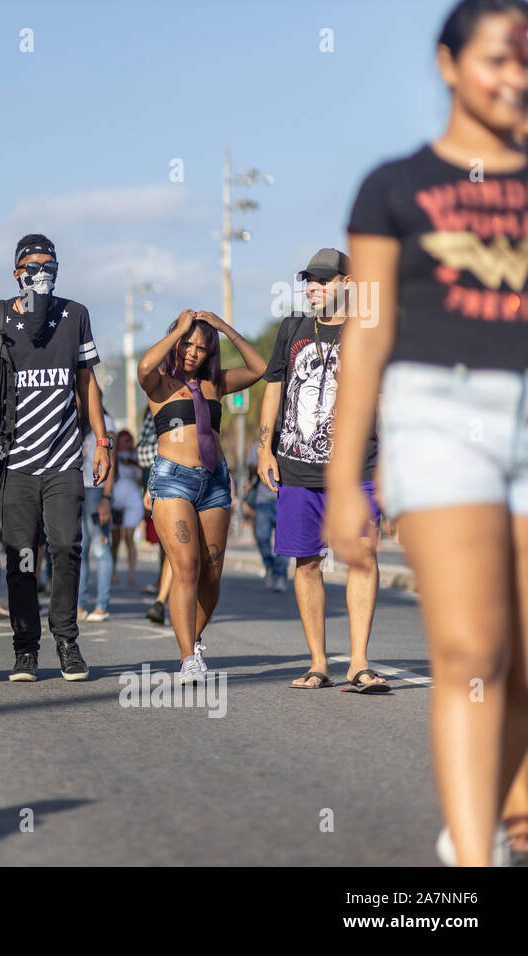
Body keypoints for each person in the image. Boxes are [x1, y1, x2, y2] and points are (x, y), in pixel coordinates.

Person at [327, 0, 528, 865]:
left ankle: (509, 815)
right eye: (497, 59)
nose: (515, 76)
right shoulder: (393, 187)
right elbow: (365, 334)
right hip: (438, 415)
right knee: (473, 647)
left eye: (526, 60)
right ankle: (475, 864)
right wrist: (343, 480)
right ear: (448, 65)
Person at [0, 233, 113, 681]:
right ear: (17, 273)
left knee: (67, 546)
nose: (42, 273)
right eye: (34, 266)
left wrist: (102, 441)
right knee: (21, 554)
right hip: (14, 461)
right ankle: (25, 649)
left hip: (64, 457)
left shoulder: (75, 316)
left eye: (50, 265)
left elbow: (87, 382)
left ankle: (67, 642)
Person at [256, 249, 387, 692]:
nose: (312, 287)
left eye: (323, 280)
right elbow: (273, 388)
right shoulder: (291, 328)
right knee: (306, 562)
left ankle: (359, 664)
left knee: (362, 556)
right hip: (297, 467)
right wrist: (264, 448)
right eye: (308, 280)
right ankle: (318, 663)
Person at [138, 309, 266, 682]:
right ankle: (187, 659)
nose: (193, 352)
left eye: (201, 348)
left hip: (214, 482)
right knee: (187, 567)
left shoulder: (215, 384)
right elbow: (145, 365)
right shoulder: (160, 384)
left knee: (211, 576)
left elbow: (258, 368)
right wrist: (178, 328)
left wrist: (224, 328)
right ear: (177, 343)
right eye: (187, 344)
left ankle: (191, 643)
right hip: (172, 479)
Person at [77, 413, 116, 622]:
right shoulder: (75, 418)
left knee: (101, 549)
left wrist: (106, 498)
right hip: (77, 489)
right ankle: (80, 604)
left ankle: (102, 605)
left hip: (97, 490)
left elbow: (112, 461)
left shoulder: (106, 423)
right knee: (79, 549)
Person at [246, 439, 286, 591]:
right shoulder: (258, 445)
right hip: (262, 500)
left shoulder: (287, 442)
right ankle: (269, 566)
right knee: (262, 537)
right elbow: (250, 468)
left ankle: (281, 574)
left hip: (284, 500)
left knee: (283, 541)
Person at [109, 430, 145, 587]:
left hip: (133, 502)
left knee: (129, 538)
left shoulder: (137, 458)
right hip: (116, 501)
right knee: (115, 540)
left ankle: (132, 574)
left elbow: (140, 479)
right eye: (123, 441)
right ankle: (113, 572)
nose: (127, 444)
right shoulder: (114, 457)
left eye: (129, 440)